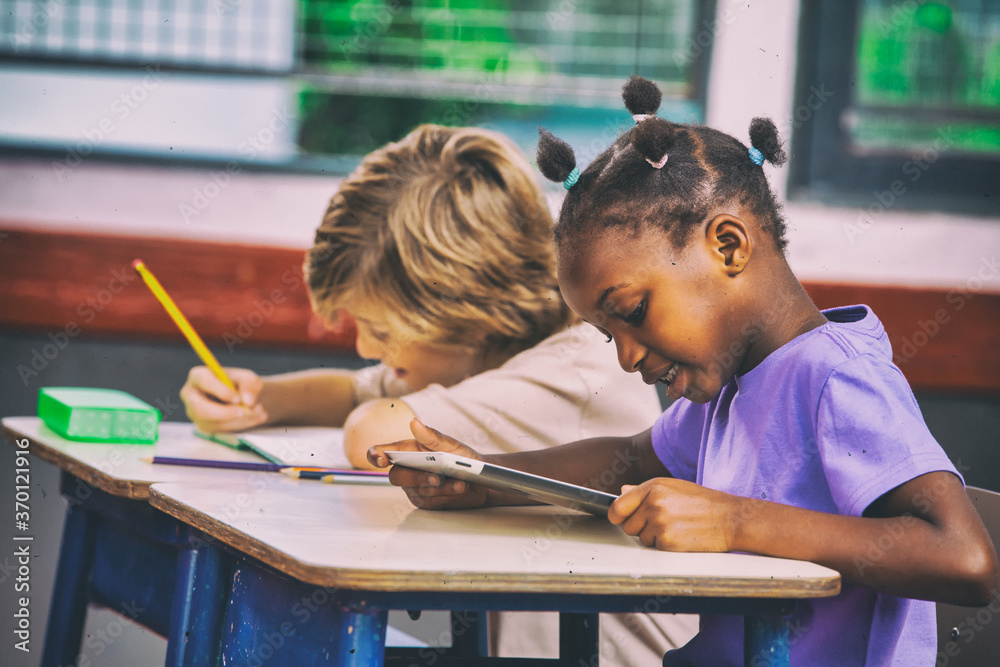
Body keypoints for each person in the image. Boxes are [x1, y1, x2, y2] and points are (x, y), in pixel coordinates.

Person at [368, 77, 1000, 666]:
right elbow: (632, 460)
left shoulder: (836, 377)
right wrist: (486, 478)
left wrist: (735, 521)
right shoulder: (729, 389)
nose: (626, 356)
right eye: (606, 334)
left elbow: (966, 559)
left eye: (634, 312)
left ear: (728, 245)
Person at [180, 123, 697, 663]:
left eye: (380, 331)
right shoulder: (489, 357)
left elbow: (372, 430)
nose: (362, 347)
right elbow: (355, 389)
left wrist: (348, 406)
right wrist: (260, 396)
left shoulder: (574, 371)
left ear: (459, 314)